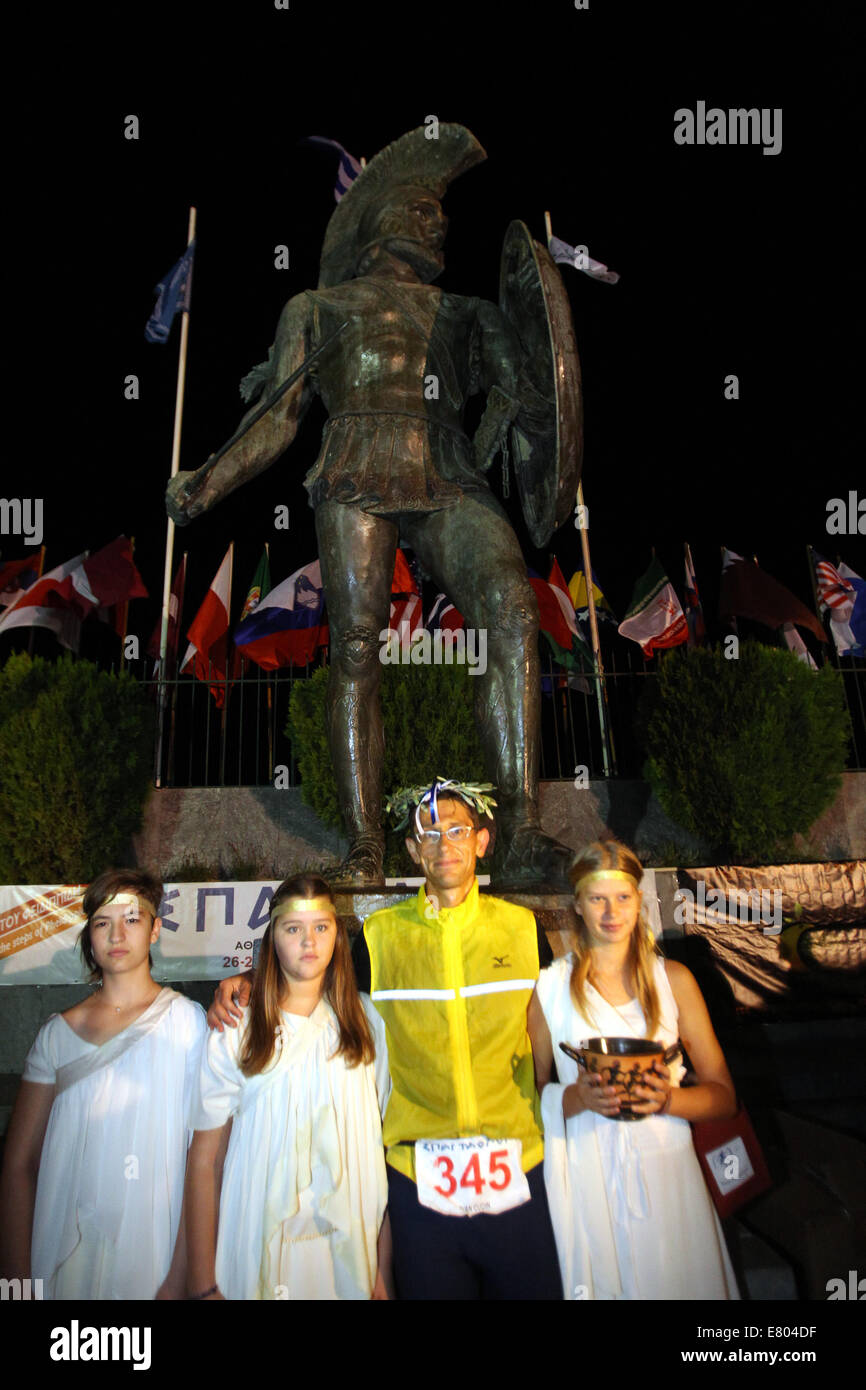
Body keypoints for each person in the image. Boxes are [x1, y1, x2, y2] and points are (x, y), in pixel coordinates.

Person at [165, 123, 575, 891]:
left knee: (512, 610)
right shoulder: (316, 307)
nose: (439, 226)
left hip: (448, 467)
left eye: (442, 218)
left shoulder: (467, 313)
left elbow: (534, 397)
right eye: (423, 213)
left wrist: (517, 400)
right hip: (355, 462)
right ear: (382, 216)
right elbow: (277, 421)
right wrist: (207, 482)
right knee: (356, 644)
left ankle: (518, 832)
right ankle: (364, 847)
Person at [210, 779, 562, 1300]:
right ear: (412, 850)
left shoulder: (523, 928)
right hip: (418, 1183)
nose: (444, 844)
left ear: (482, 841)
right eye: (429, 834)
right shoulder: (377, 937)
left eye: (457, 830)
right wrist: (245, 980)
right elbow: (314, 983)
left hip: (517, 1169)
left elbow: (545, 1041)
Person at [527, 838, 741, 1300]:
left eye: (622, 897)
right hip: (586, 1175)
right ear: (578, 905)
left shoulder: (674, 981)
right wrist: (575, 1098)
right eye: (597, 898)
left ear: (639, 901)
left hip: (667, 1171)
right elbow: (530, 1094)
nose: (611, 911)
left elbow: (724, 1095)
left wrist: (668, 1099)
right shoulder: (548, 989)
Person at [0, 870, 205, 1300]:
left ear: (154, 929)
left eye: (131, 919)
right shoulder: (56, 1036)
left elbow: (199, 1162)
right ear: (89, 935)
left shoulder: (186, 1022)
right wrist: (18, 1287)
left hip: (155, 1258)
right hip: (64, 1260)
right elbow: (19, 1166)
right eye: (102, 922)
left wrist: (183, 1277)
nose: (117, 933)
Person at [186, 873, 391, 1301]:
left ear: (338, 935)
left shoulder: (367, 1024)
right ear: (273, 939)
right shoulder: (237, 1025)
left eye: (322, 927)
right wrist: (204, 1285)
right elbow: (205, 1160)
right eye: (293, 929)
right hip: (257, 1246)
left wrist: (380, 1276)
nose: (309, 942)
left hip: (344, 1257)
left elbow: (377, 1155)